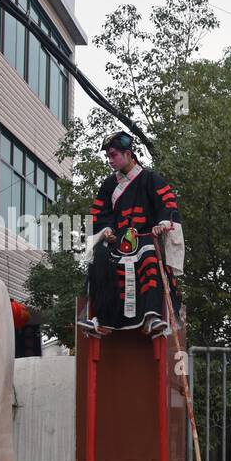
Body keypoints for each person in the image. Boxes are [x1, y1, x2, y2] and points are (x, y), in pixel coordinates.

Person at [77, 130, 184, 338]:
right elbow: (99, 214)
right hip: (117, 243)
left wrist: (161, 224)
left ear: (128, 154)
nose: (110, 160)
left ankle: (152, 318)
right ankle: (100, 318)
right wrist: (106, 230)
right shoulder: (109, 185)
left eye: (113, 155)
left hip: (144, 239)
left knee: (149, 256)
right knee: (98, 258)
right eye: (108, 156)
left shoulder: (150, 179)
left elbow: (168, 205)